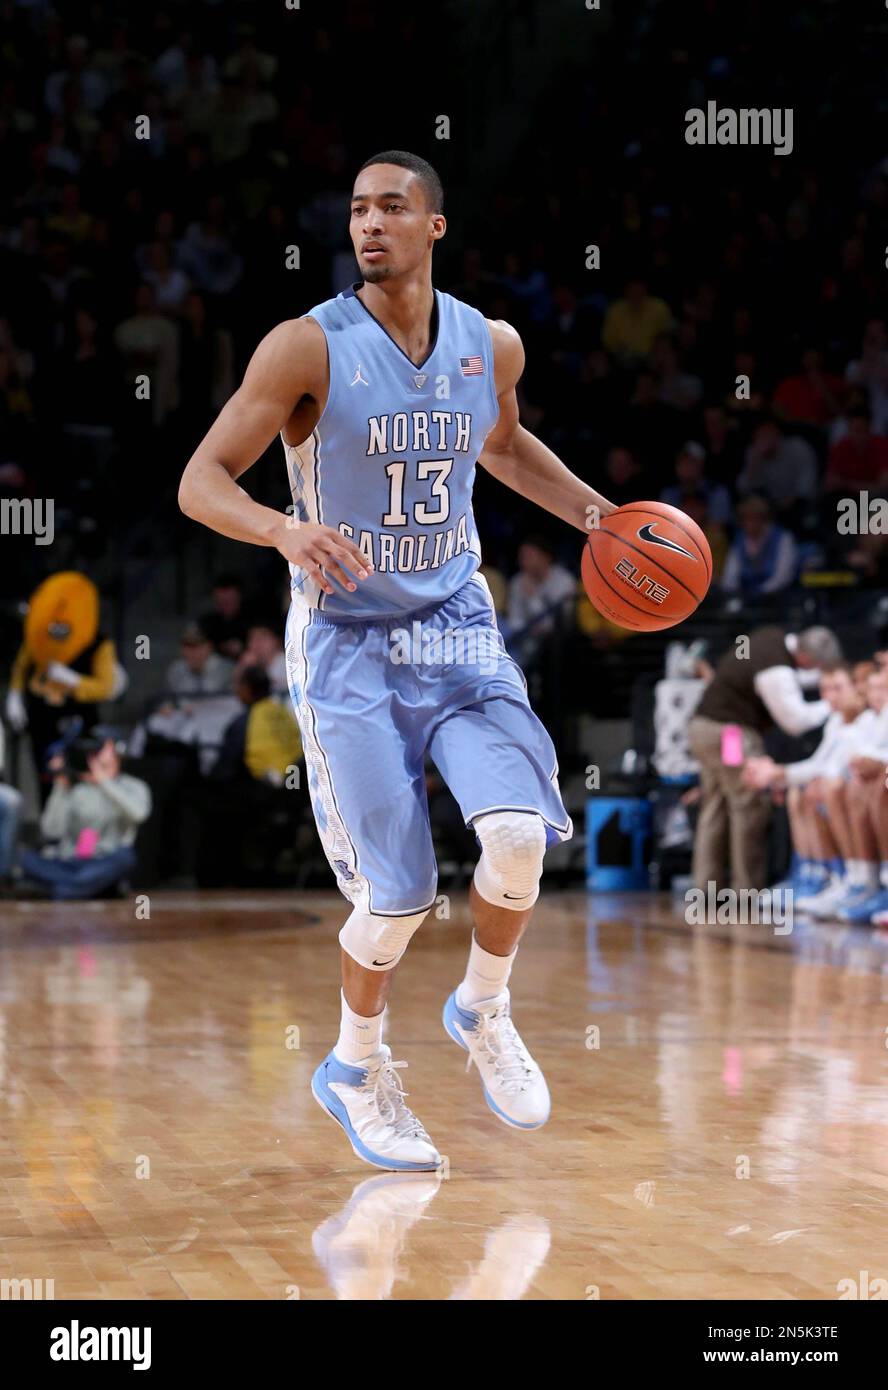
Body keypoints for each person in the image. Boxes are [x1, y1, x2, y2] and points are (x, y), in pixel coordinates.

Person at [179, 149, 618, 1172]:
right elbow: (200, 480)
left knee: (516, 838)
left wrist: (600, 518)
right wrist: (284, 534)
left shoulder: (489, 344)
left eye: (393, 208)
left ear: (435, 228)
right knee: (400, 897)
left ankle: (482, 1008)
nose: (370, 224)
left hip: (456, 625)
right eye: (359, 210)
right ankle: (356, 1066)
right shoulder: (306, 347)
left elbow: (501, 449)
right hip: (348, 645)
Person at [688, 625, 840, 891]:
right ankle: (747, 891)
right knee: (748, 805)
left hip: (702, 728)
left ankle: (705, 890)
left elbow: (793, 680)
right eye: (814, 665)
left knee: (714, 808)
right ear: (805, 656)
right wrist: (833, 705)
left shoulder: (772, 637)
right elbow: (794, 720)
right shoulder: (776, 668)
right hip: (730, 734)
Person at [743, 665, 871, 917]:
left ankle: (855, 879)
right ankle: (814, 874)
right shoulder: (835, 720)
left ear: (856, 689)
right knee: (801, 791)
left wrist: (778, 774)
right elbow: (819, 765)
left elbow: (831, 768)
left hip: (853, 791)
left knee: (826, 787)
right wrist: (778, 775)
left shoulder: (865, 720)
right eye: (825, 689)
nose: (830, 696)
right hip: (838, 789)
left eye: (838, 688)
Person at [19, 734, 151, 900]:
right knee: (21, 857)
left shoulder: (133, 786)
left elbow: (139, 813)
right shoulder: (78, 790)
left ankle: (63, 890)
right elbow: (51, 831)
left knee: (126, 858)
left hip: (105, 862)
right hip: (70, 862)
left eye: (103, 749)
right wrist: (59, 787)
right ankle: (81, 888)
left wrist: (104, 782)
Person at [720, 494, 799, 597]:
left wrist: (761, 592)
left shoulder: (783, 539)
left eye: (755, 518)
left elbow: (783, 576)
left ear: (764, 519)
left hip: (777, 598)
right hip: (747, 600)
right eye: (747, 519)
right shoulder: (739, 541)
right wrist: (734, 593)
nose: (751, 523)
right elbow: (730, 577)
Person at [166, 622, 234, 695]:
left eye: (197, 646)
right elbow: (168, 701)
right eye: (187, 645)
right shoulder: (175, 670)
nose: (192, 652)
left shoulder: (226, 669)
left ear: (210, 647)